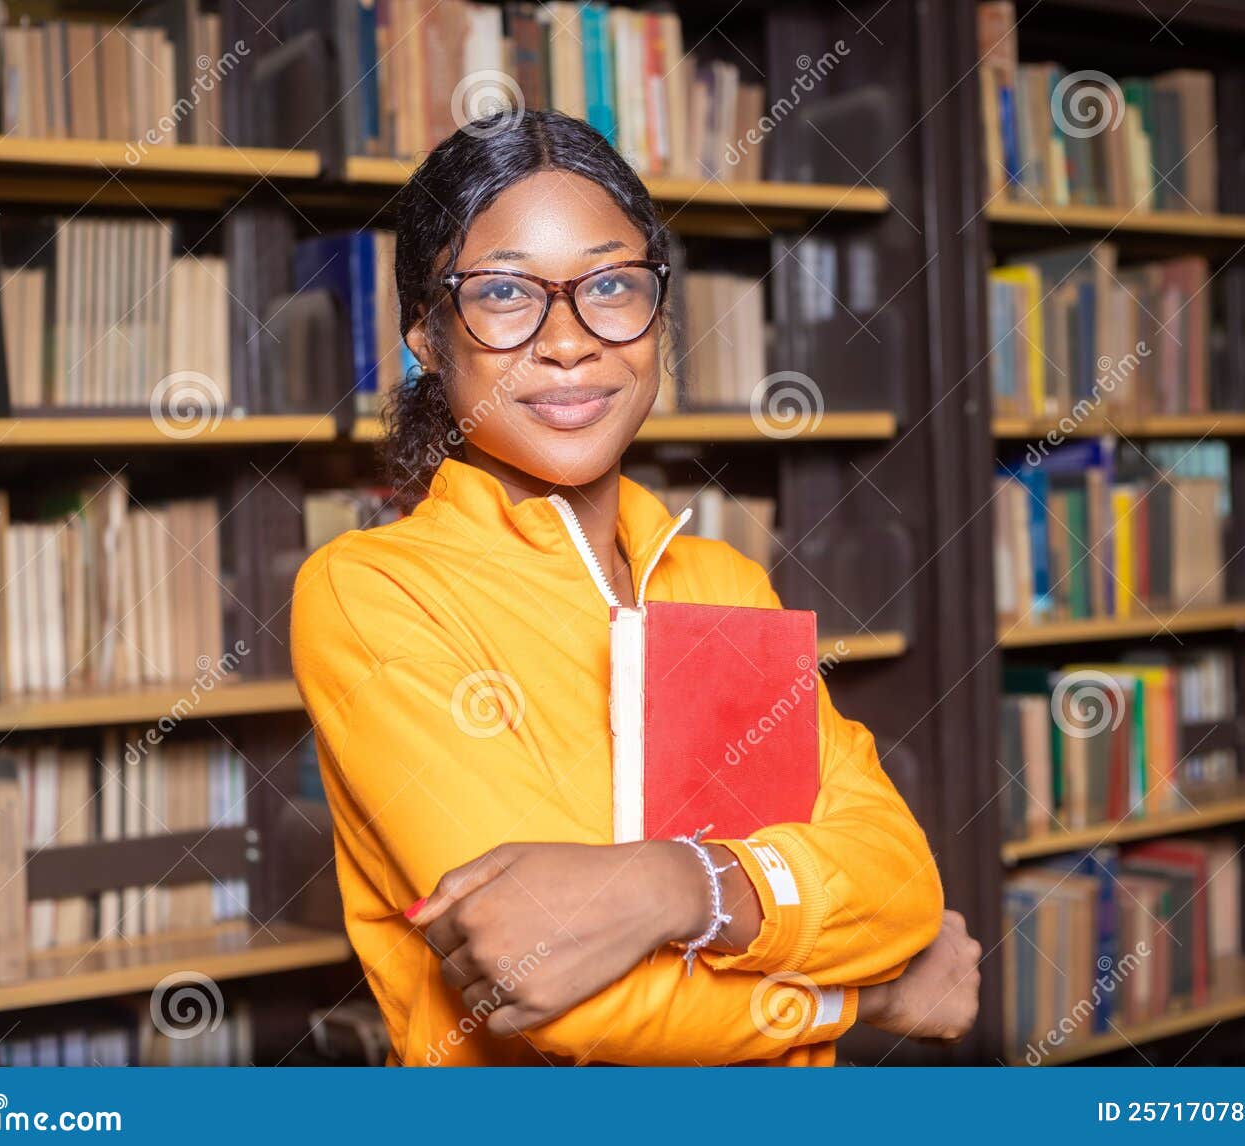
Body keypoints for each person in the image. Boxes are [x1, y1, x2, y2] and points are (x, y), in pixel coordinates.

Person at [291, 108, 980, 1066]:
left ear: (658, 309)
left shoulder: (727, 584)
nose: (569, 340)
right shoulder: (374, 592)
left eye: (611, 283)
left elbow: (900, 882)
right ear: (427, 336)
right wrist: (872, 993)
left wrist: (675, 885)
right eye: (503, 293)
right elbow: (544, 982)